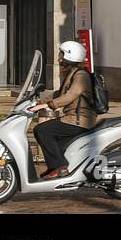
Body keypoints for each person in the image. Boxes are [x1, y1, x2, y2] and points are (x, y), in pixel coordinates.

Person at [30, 41, 97, 178]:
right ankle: (55, 167)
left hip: (79, 120)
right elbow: (58, 94)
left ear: (70, 56)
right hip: (72, 118)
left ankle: (60, 167)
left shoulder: (81, 75)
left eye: (61, 54)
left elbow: (70, 95)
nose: (59, 58)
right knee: (53, 141)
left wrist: (48, 105)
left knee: (42, 130)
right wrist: (38, 102)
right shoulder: (72, 74)